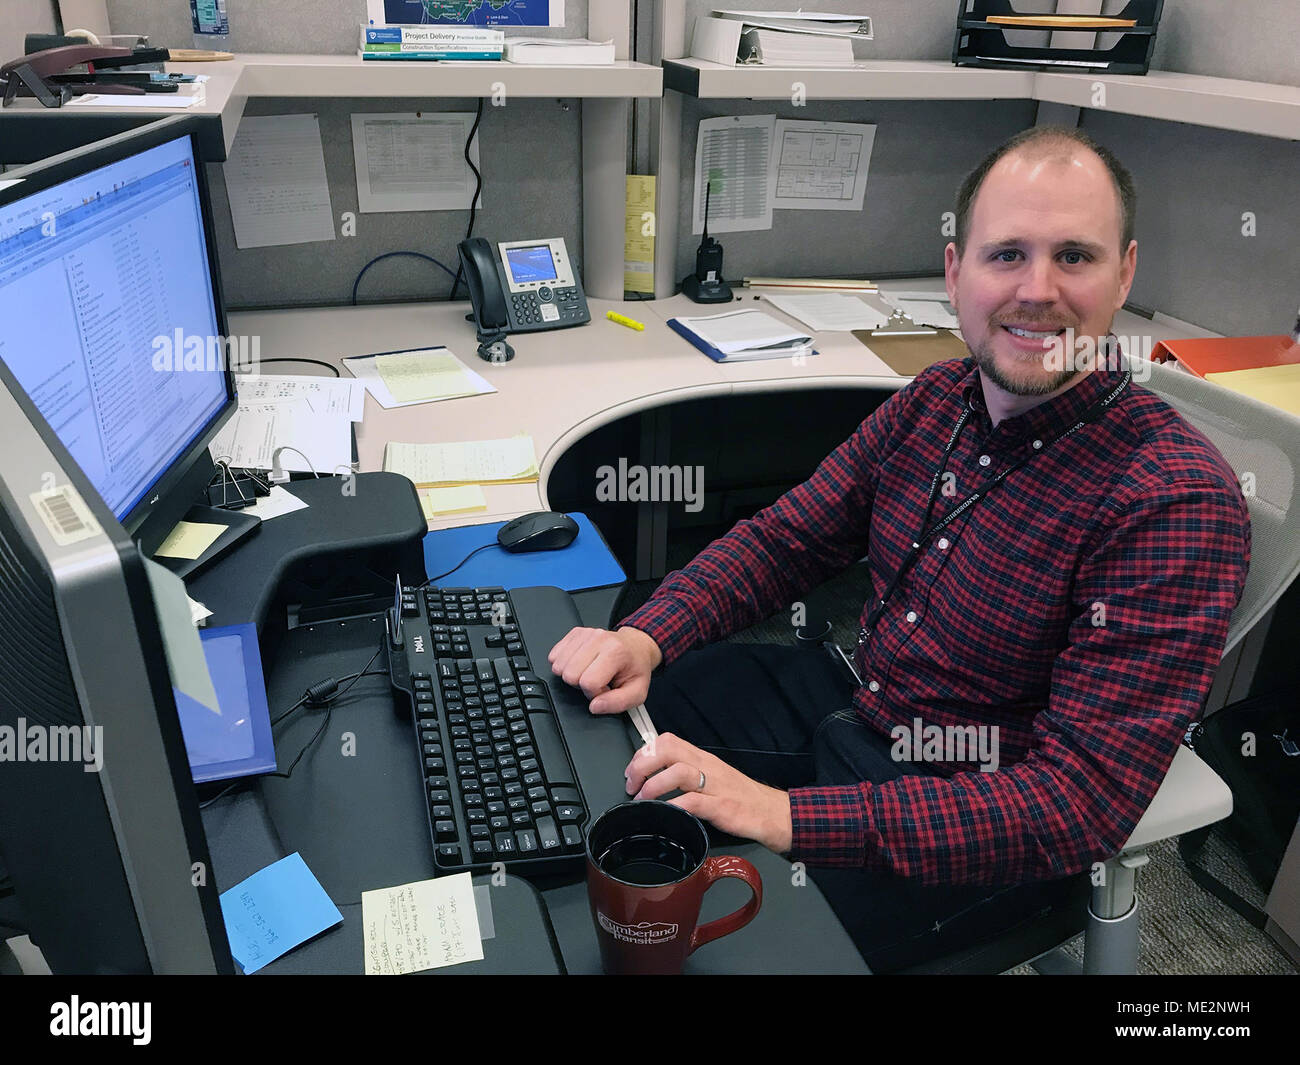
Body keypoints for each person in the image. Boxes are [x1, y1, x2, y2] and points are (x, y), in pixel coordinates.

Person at [548, 126, 1251, 971]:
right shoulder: (935, 399)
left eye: (1074, 256)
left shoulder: (1172, 500)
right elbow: (788, 538)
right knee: (603, 733)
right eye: (1006, 256)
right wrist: (646, 633)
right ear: (956, 272)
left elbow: (1076, 805)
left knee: (716, 943)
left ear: (1125, 273)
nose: (1039, 290)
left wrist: (785, 816)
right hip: (859, 700)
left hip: (984, 821)